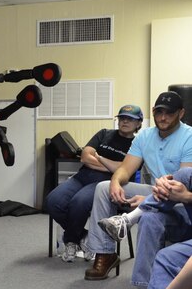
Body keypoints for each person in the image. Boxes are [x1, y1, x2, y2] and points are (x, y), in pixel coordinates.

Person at [83, 91, 192, 283]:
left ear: (181, 113)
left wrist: (151, 202)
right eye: (159, 112)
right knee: (103, 187)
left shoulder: (189, 137)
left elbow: (182, 184)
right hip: (155, 192)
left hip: (180, 199)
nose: (163, 117)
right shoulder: (144, 136)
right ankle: (105, 254)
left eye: (169, 113)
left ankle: (136, 214)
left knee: (156, 207)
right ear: (153, 111)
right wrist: (116, 182)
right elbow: (125, 168)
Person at [45, 105, 142, 262]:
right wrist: (113, 166)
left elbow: (124, 170)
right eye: (122, 118)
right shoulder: (104, 133)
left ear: (138, 123)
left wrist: (100, 158)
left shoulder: (138, 144)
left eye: (130, 119)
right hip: (82, 177)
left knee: (79, 203)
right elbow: (85, 157)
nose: (125, 121)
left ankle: (70, 240)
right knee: (53, 201)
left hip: (107, 184)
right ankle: (84, 236)